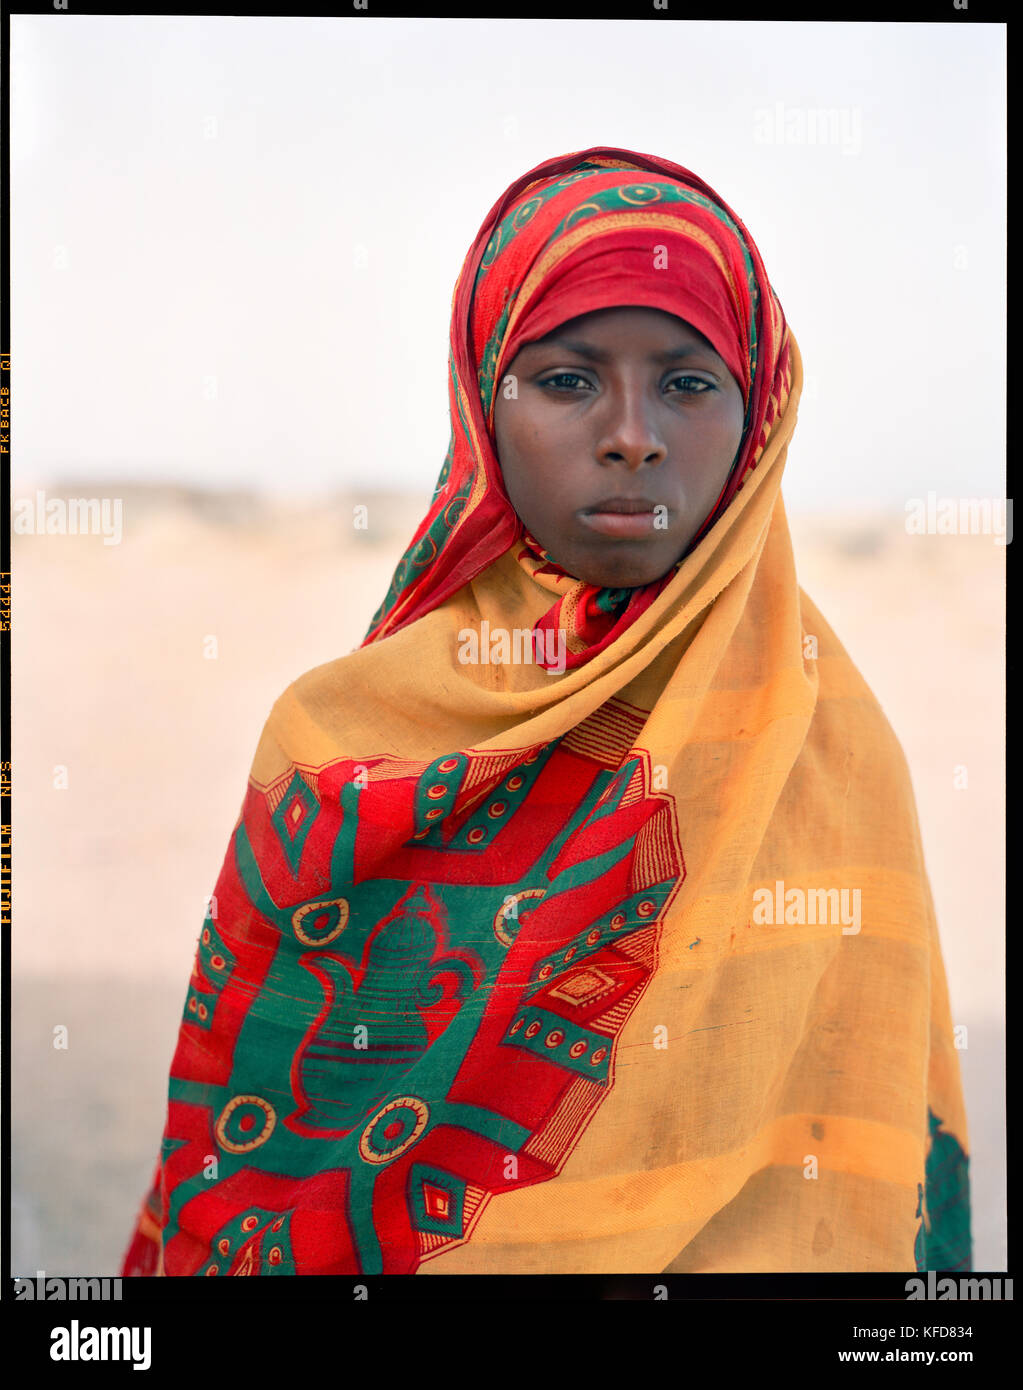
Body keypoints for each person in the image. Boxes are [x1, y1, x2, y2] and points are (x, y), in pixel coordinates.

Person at [122, 145, 970, 1276]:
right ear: (482, 402)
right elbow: (248, 1173)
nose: (633, 433)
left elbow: (857, 1155)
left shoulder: (830, 754)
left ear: (759, 416)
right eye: (568, 381)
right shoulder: (338, 751)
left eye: (689, 381)